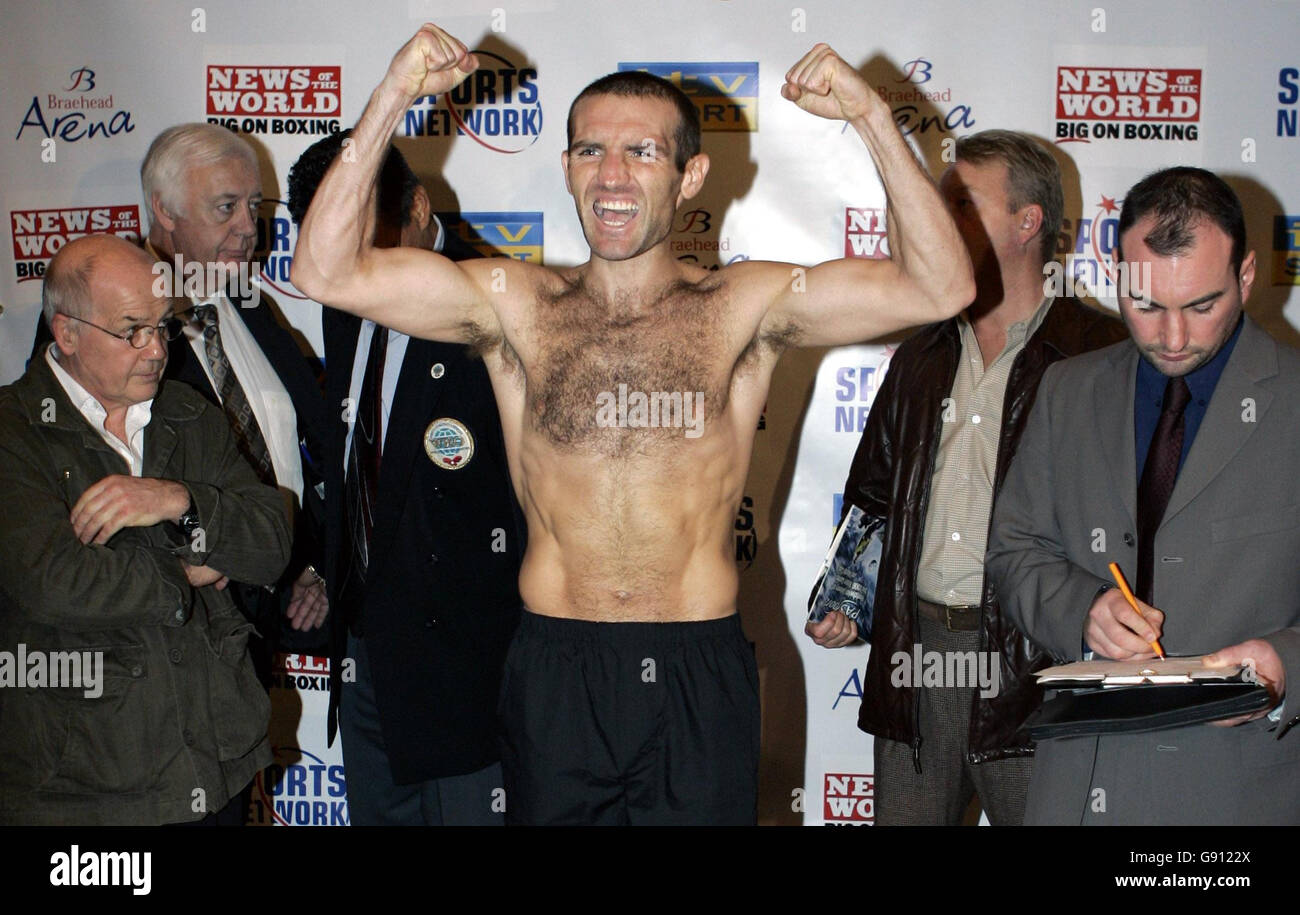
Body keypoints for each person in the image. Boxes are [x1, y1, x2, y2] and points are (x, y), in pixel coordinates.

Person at [293, 24, 973, 825]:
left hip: (696, 666)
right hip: (554, 667)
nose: (611, 176)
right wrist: (391, 98)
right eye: (590, 151)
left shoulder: (740, 306)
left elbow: (940, 287)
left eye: (642, 153)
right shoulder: (515, 306)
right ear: (566, 167)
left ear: (691, 177)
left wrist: (868, 114)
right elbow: (323, 271)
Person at [807, 130, 1126, 825]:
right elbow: (875, 491)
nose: (936, 218)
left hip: (1039, 666)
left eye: (962, 203)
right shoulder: (920, 347)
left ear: (1027, 221)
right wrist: (850, 597)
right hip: (918, 661)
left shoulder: (1099, 351)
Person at [986, 166, 1300, 825]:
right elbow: (1013, 549)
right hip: (1076, 790)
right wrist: (1082, 611)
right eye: (1148, 305)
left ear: (1245, 276)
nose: (1174, 337)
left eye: (1202, 305)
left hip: (1238, 795)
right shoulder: (1066, 390)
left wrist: (1284, 665)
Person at [0, 235, 289, 825]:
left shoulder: (187, 411)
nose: (156, 348)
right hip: (82, 786)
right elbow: (55, 580)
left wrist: (176, 500)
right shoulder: (15, 431)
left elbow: (271, 542)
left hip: (215, 767)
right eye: (132, 329)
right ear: (67, 333)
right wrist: (190, 568)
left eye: (163, 325)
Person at [286, 131, 524, 825]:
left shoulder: (494, 304)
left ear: (420, 208)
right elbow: (357, 461)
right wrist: (326, 569)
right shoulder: (341, 305)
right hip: (364, 662)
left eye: (369, 235)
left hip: (469, 672)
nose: (355, 263)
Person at [140, 123, 331, 677]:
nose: (249, 229)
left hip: (265, 618)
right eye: (226, 208)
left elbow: (316, 443)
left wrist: (311, 561)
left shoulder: (251, 307)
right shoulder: (105, 314)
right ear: (165, 211)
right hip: (173, 629)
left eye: (253, 206)